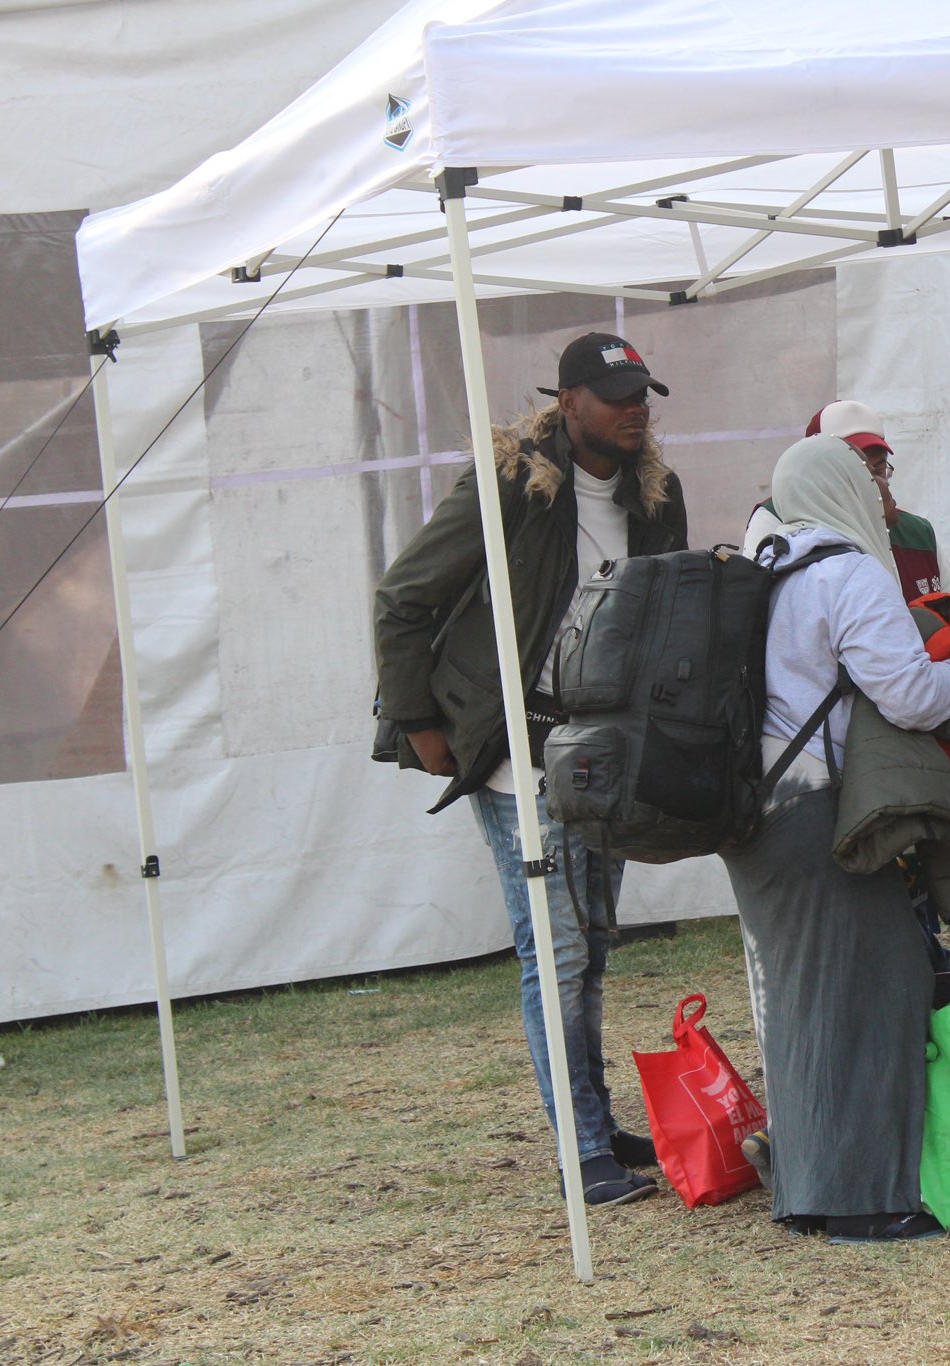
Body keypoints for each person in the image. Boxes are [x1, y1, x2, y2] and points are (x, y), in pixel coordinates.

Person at [374, 331, 686, 1209]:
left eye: (643, 393)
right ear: (567, 403)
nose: (636, 408)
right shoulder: (515, 484)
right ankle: (583, 1148)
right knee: (551, 952)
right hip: (515, 749)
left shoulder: (656, 497)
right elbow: (402, 600)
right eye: (617, 393)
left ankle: (594, 1121)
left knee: (590, 948)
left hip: (606, 756)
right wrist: (421, 723)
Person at [725, 432, 950, 1244]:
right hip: (816, 808)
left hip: (752, 812)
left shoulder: (760, 569)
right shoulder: (845, 571)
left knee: (804, 1001)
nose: (882, 498)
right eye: (868, 480)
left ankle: (811, 1189)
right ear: (846, 492)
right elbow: (912, 694)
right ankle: (865, 1203)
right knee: (876, 986)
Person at [743, 401, 944, 600]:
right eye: (857, 468)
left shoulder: (916, 533)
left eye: (878, 467)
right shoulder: (776, 519)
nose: (876, 482)